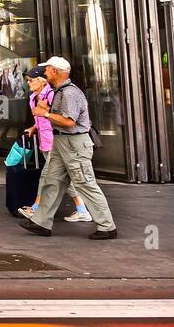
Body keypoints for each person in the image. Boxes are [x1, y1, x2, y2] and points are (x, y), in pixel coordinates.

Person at [19, 56, 117, 240]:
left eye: (47, 69)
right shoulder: (60, 91)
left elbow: (70, 122)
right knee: (52, 181)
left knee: (85, 184)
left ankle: (107, 226)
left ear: (55, 71)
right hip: (62, 142)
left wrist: (45, 113)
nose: (45, 72)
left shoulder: (69, 93)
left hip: (73, 144)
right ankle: (41, 222)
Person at [17, 66, 90, 222]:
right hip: (44, 140)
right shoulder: (33, 96)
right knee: (63, 177)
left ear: (41, 81)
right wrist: (34, 127)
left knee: (47, 176)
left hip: (55, 140)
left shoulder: (52, 94)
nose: (28, 83)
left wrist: (45, 113)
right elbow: (40, 118)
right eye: (27, 80)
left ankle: (35, 209)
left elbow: (59, 117)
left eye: (31, 80)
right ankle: (82, 208)